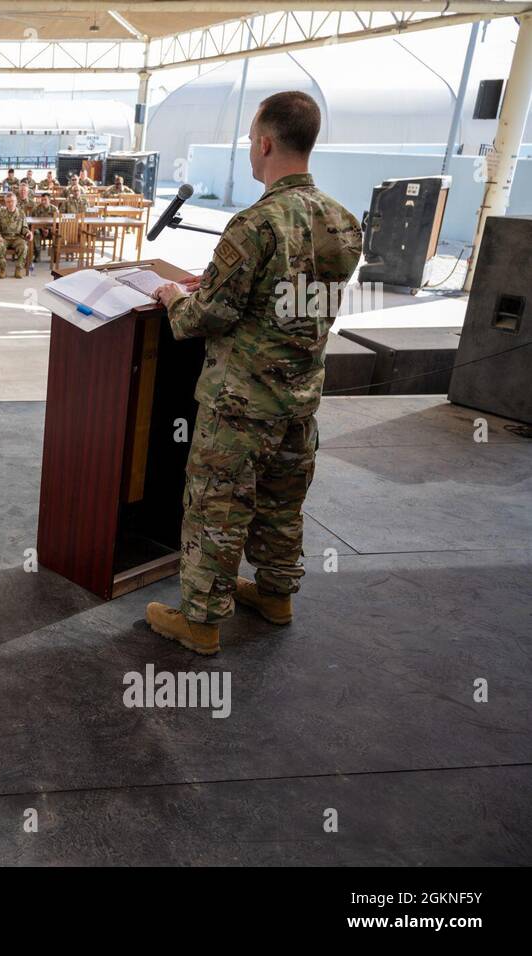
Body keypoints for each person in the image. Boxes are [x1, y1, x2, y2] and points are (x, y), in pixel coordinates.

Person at [143, 90, 364, 657]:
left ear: (265, 143)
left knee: (217, 506)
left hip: (242, 403)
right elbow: (294, 304)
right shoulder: (344, 222)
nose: (249, 148)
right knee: (281, 502)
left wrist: (172, 296)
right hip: (300, 399)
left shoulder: (256, 224)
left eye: (249, 139)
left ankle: (200, 621)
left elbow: (207, 316)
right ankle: (275, 595)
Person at [0, 192, 31, 279]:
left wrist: (27, 232)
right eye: (8, 202)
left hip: (17, 238)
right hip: (4, 238)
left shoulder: (21, 213)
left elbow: (24, 227)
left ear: (16, 202)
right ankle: (3, 269)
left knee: (24, 246)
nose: (10, 203)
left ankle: (18, 269)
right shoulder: (1, 213)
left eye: (12, 201)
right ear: (5, 203)